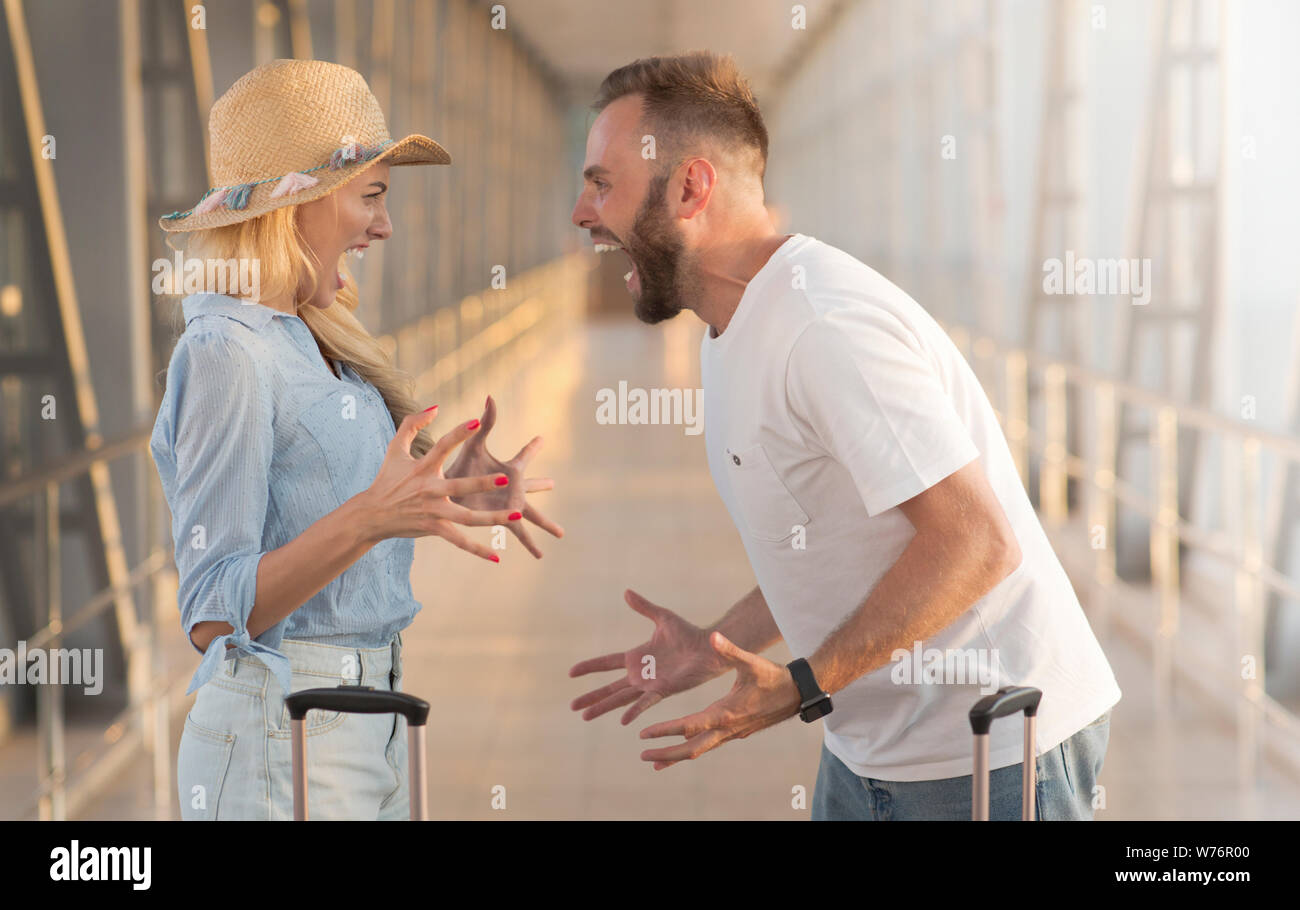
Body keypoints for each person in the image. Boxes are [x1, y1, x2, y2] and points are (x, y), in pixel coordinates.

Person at [567, 51, 1120, 820]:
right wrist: (721, 644)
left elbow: (976, 541)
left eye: (602, 185)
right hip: (869, 754)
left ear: (691, 187)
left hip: (990, 752)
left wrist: (800, 687)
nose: (583, 214)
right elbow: (833, 539)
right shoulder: (731, 324)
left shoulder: (824, 326)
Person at [150, 59, 562, 820]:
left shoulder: (312, 335)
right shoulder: (227, 354)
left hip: (363, 718)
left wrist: (446, 477)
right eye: (371, 196)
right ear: (293, 205)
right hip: (284, 733)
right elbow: (213, 612)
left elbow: (340, 496)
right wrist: (372, 516)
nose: (385, 224)